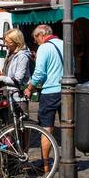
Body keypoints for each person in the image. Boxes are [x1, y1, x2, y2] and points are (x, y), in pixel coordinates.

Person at [26, 24, 65, 166]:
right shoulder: (64, 44)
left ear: (40, 35)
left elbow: (39, 73)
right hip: (66, 91)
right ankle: (68, 159)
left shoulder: (43, 48)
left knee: (46, 129)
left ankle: (46, 165)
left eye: (35, 39)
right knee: (67, 127)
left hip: (49, 92)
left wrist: (29, 87)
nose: (35, 42)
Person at [0, 28, 33, 109]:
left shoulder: (22, 56)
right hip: (9, 94)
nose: (5, 44)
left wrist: (0, 78)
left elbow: (18, 79)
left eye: (8, 42)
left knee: (19, 120)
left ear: (16, 42)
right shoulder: (10, 54)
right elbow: (9, 73)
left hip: (18, 97)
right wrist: (2, 74)